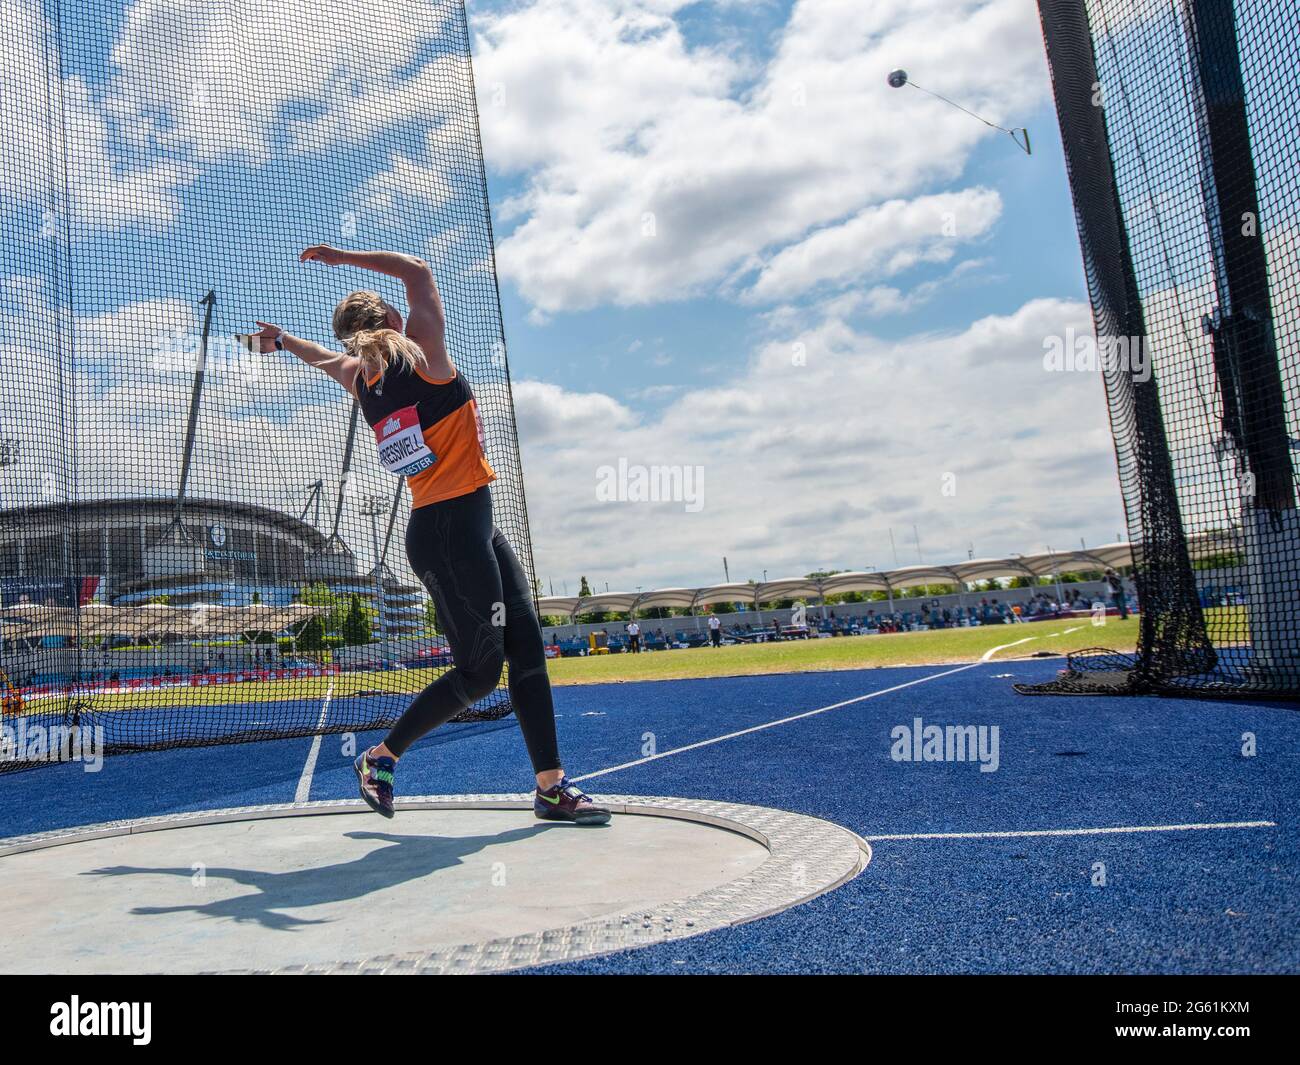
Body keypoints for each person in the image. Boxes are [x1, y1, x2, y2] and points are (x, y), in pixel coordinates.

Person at [253, 245, 608, 825]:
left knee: (525, 649)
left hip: (472, 525)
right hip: (450, 531)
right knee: (479, 671)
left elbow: (322, 358)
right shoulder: (426, 359)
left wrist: (284, 341)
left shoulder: (359, 380)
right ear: (392, 320)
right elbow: (417, 270)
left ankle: (551, 787)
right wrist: (340, 258)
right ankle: (381, 757)